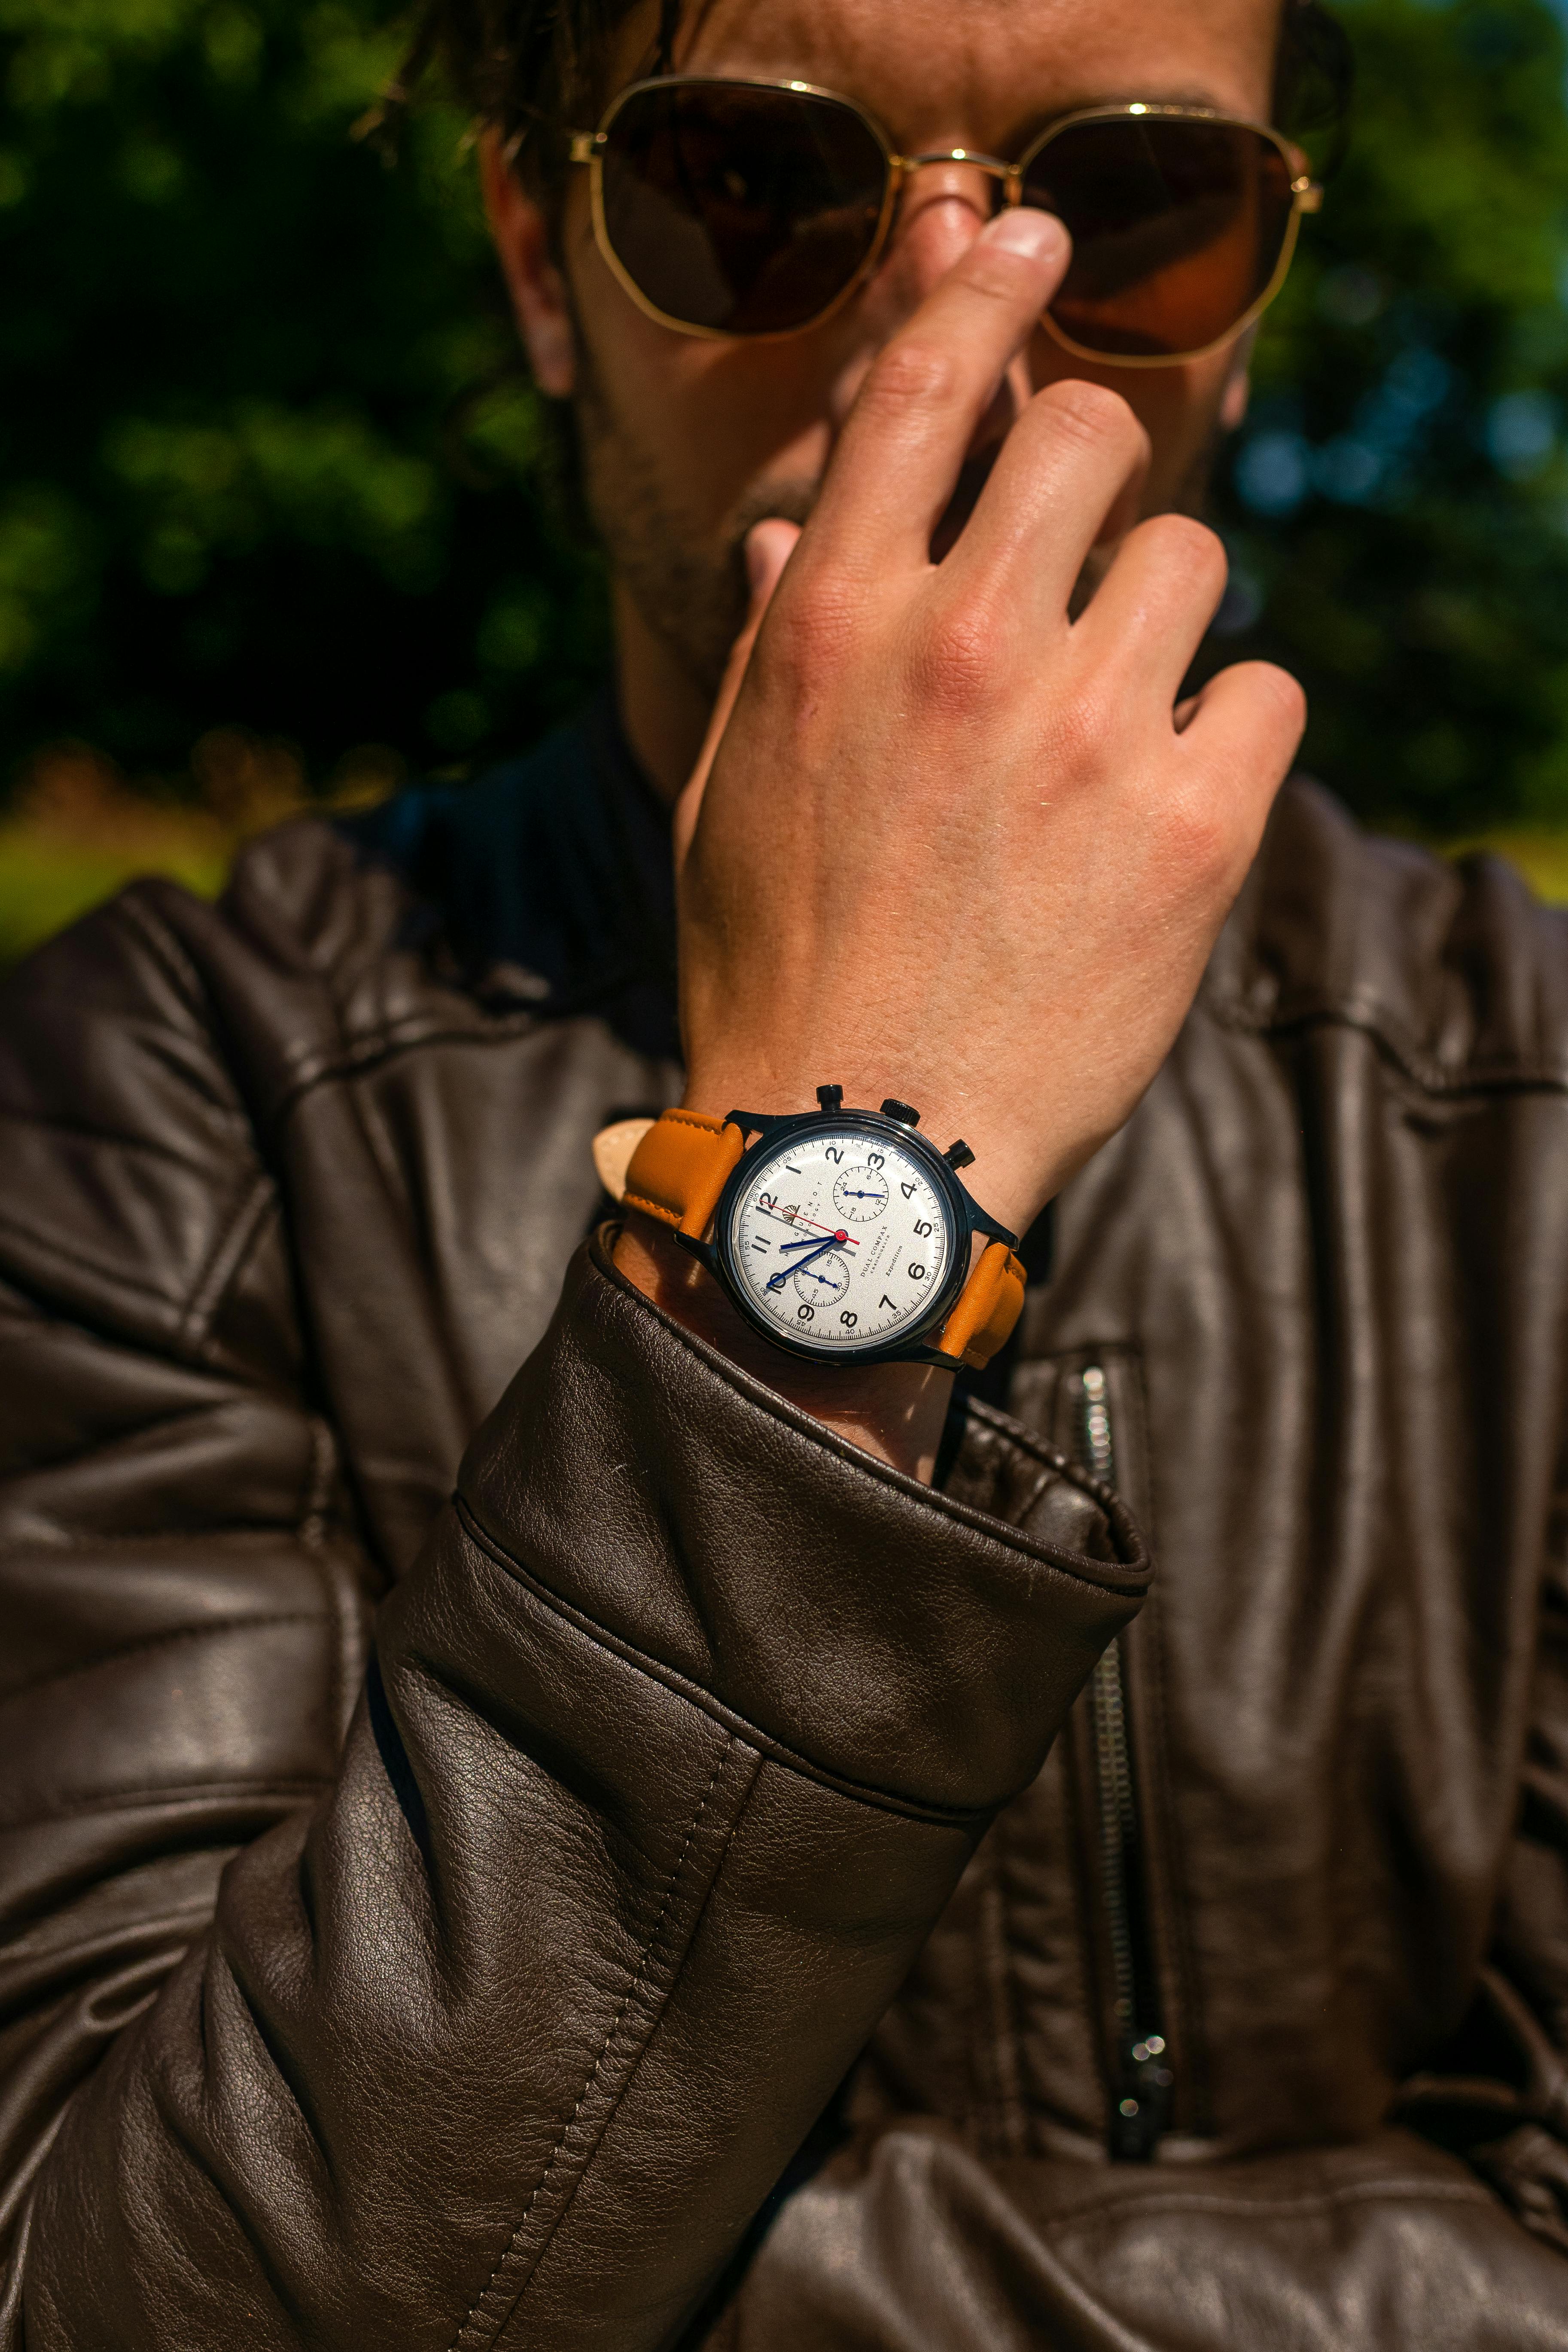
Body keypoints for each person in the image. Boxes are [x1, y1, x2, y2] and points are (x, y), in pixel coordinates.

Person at [2, 0, 1567, 2340]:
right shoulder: (173, 1097)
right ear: (543, 257)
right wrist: (822, 1183)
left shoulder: (1528, 1108)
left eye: (1129, 200)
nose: (956, 301)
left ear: (1259, 294)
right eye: (753, 180)